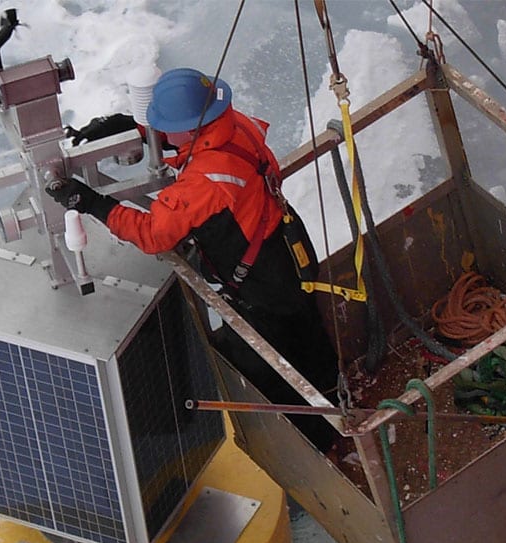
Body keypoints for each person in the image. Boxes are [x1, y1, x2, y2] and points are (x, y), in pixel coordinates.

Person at [47, 67, 341, 451]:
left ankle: (320, 439)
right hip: (286, 244)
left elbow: (153, 234)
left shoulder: (204, 182)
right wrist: (133, 127)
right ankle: (336, 394)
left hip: (262, 281)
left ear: (188, 128)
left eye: (164, 125)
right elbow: (192, 137)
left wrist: (91, 203)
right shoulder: (234, 123)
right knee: (307, 331)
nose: (161, 131)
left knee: (267, 363)